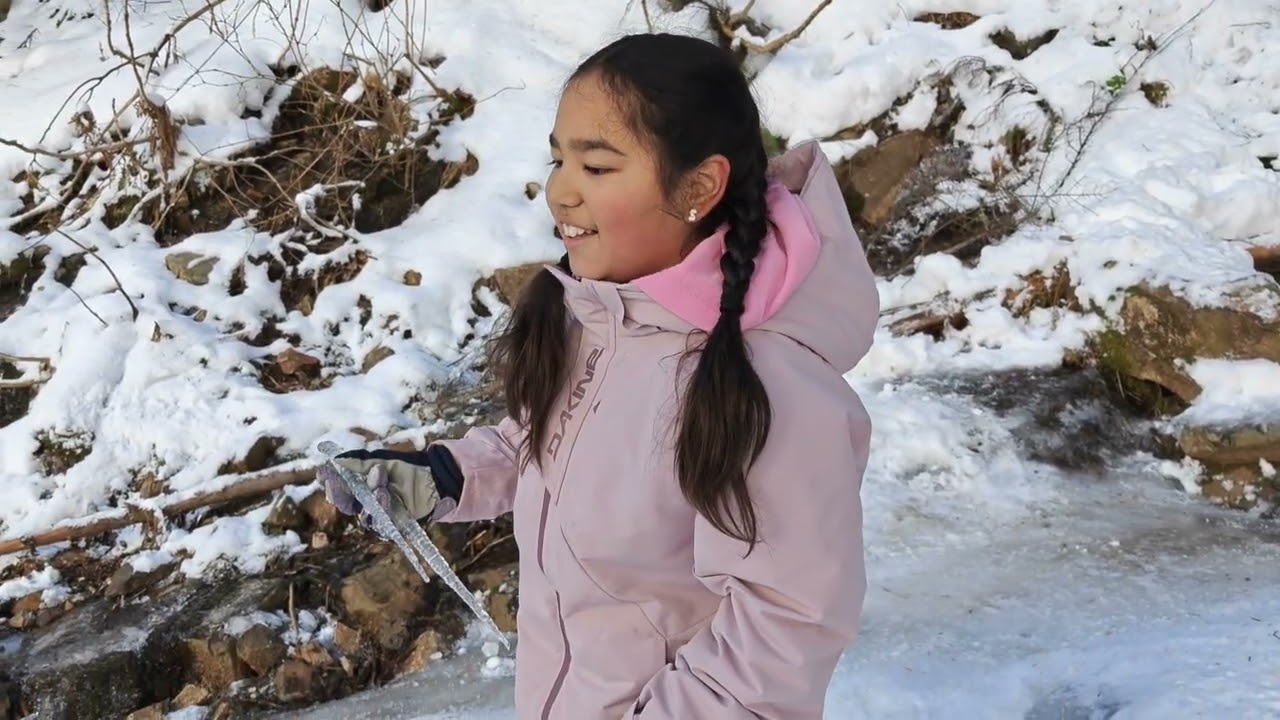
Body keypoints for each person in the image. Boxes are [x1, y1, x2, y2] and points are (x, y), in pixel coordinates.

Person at [319, 32, 879, 720]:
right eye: (558, 159)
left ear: (699, 185)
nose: (560, 192)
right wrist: (442, 475)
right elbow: (547, 441)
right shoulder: (598, 314)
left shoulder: (767, 380)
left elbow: (786, 622)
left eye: (598, 167)